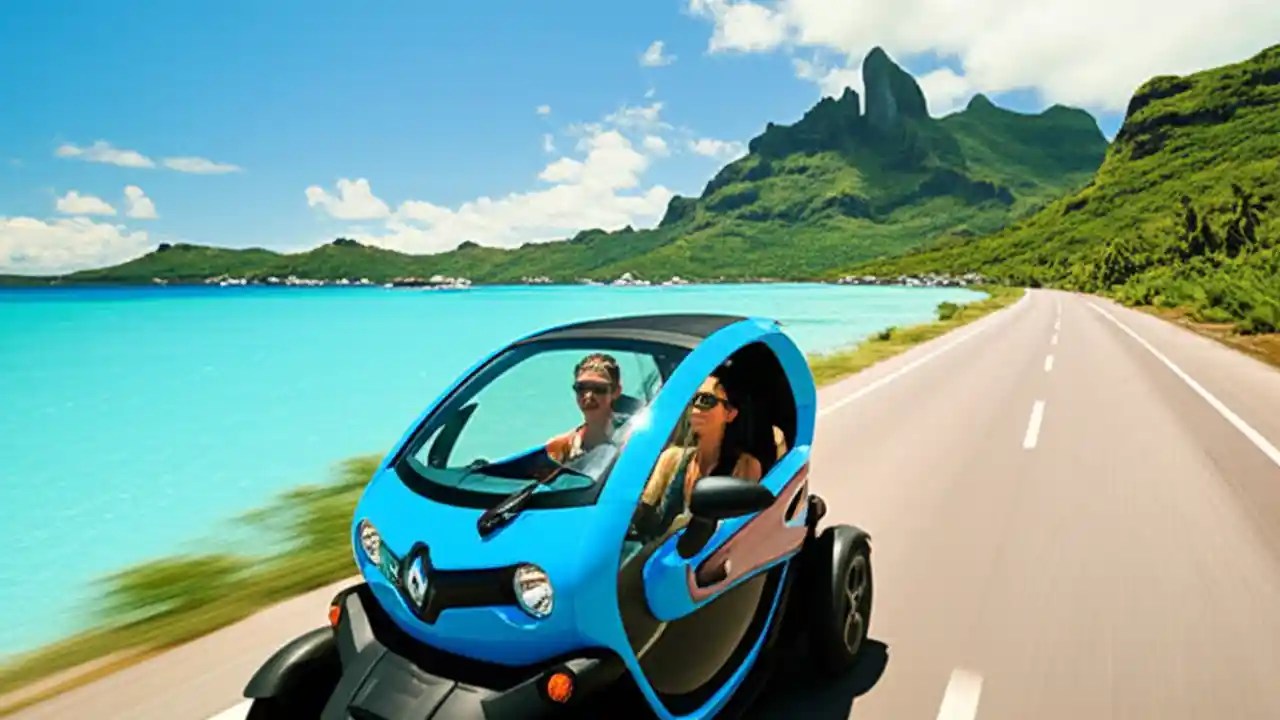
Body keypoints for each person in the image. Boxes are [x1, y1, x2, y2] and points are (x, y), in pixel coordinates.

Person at [639, 365, 763, 518]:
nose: (696, 409)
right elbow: (643, 516)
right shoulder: (671, 459)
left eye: (706, 400)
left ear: (730, 413)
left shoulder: (745, 466)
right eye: (693, 399)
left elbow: (738, 524)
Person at [544, 352, 625, 464]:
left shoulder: (632, 440)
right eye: (582, 388)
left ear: (616, 392)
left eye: (598, 388)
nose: (588, 396)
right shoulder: (559, 448)